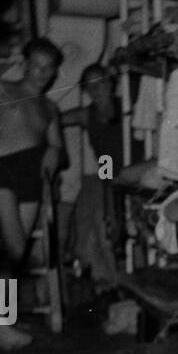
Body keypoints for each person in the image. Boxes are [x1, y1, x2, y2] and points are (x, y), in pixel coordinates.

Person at [0, 37, 66, 347]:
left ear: (53, 72)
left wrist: (54, 151)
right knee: (12, 245)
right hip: (0, 167)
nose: (40, 72)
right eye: (35, 64)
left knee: (16, 252)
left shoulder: (50, 107)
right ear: (25, 63)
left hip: (31, 176)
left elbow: (59, 151)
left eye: (47, 67)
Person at [60, 62, 122, 295]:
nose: (97, 90)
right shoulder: (87, 115)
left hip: (133, 173)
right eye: (90, 87)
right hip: (108, 175)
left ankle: (116, 279)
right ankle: (107, 282)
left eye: (101, 83)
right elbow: (54, 117)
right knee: (97, 221)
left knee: (115, 223)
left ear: (110, 82)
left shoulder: (126, 107)